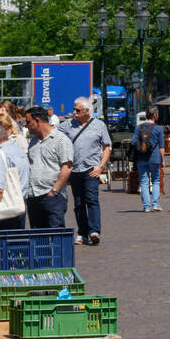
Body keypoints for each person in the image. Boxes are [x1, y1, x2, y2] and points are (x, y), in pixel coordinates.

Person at [61, 97, 111, 246]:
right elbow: (53, 134)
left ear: (87, 111)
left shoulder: (99, 125)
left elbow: (106, 147)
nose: (74, 112)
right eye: (74, 109)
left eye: (77, 110)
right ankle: (82, 233)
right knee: (78, 202)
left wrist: (101, 166)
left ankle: (94, 231)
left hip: (91, 169)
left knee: (92, 199)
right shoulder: (68, 124)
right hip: (74, 169)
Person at [23, 105, 73, 229]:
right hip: (33, 195)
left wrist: (54, 191)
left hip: (52, 196)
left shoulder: (61, 140)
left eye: (28, 122)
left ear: (37, 121)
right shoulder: (33, 141)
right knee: (38, 236)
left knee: (56, 233)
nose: (26, 126)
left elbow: (67, 167)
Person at [131, 107, 166, 212]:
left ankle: (146, 206)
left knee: (144, 181)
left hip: (141, 157)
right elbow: (162, 147)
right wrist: (163, 160)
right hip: (154, 157)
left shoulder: (138, 127)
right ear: (155, 115)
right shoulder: (159, 128)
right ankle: (155, 204)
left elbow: (133, 142)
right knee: (155, 180)